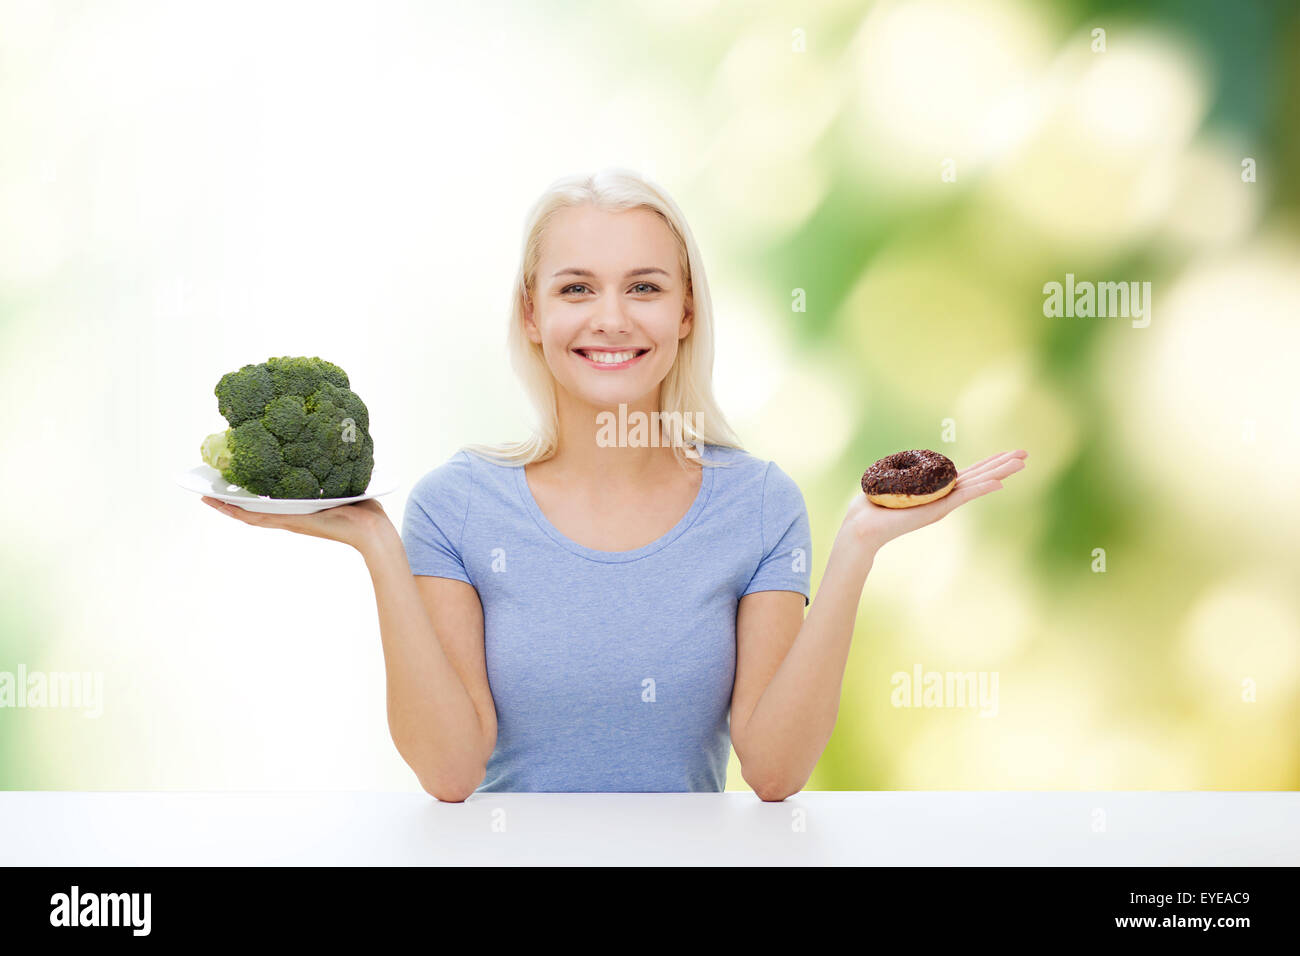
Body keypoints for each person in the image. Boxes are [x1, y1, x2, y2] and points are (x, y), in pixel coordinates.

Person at [202, 168, 1027, 801]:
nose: (611, 318)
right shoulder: (456, 506)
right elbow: (452, 773)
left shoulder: (760, 506)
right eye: (575, 289)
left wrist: (854, 550)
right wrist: (379, 547)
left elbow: (773, 772)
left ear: (686, 312)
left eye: (644, 287)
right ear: (532, 315)